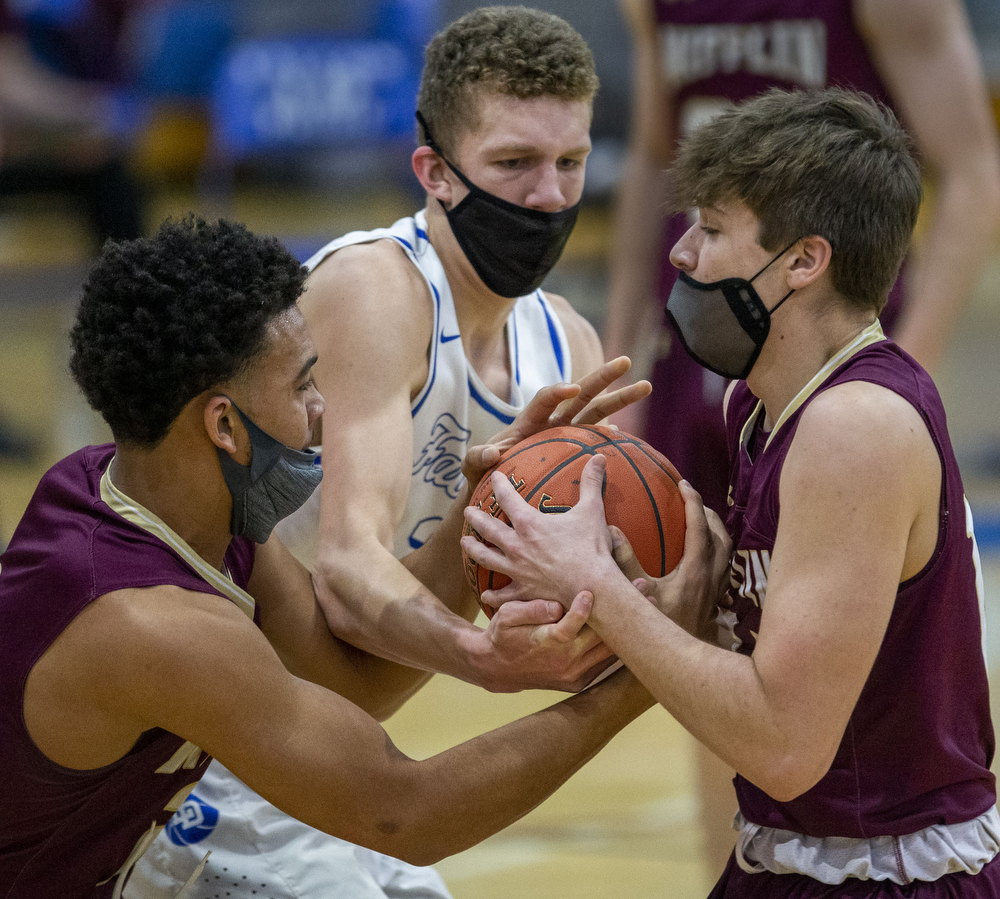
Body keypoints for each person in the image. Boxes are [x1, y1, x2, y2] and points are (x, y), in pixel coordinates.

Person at [127, 8, 654, 897]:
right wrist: (484, 658)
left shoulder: (565, 344)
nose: (550, 196)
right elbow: (348, 573)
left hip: (322, 733)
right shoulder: (379, 289)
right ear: (435, 174)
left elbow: (412, 632)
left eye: (571, 163)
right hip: (188, 746)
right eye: (515, 163)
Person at [0, 214, 663, 898]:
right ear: (224, 424)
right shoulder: (150, 624)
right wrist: (644, 678)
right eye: (302, 385)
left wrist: (484, 502)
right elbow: (404, 809)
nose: (323, 409)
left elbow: (348, 682)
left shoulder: (160, 502)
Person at [464, 87, 1000, 896]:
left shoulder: (852, 427)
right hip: (785, 853)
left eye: (712, 230)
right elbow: (742, 664)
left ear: (803, 261)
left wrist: (602, 589)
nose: (680, 256)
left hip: (883, 874)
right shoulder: (757, 404)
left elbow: (785, 744)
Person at [601, 0, 1000, 872]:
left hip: (813, 334)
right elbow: (649, 166)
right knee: (737, 634)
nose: (680, 246)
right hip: (732, 353)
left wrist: (884, 385)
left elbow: (976, 172)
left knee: (804, 694)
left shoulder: (858, 421)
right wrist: (621, 351)